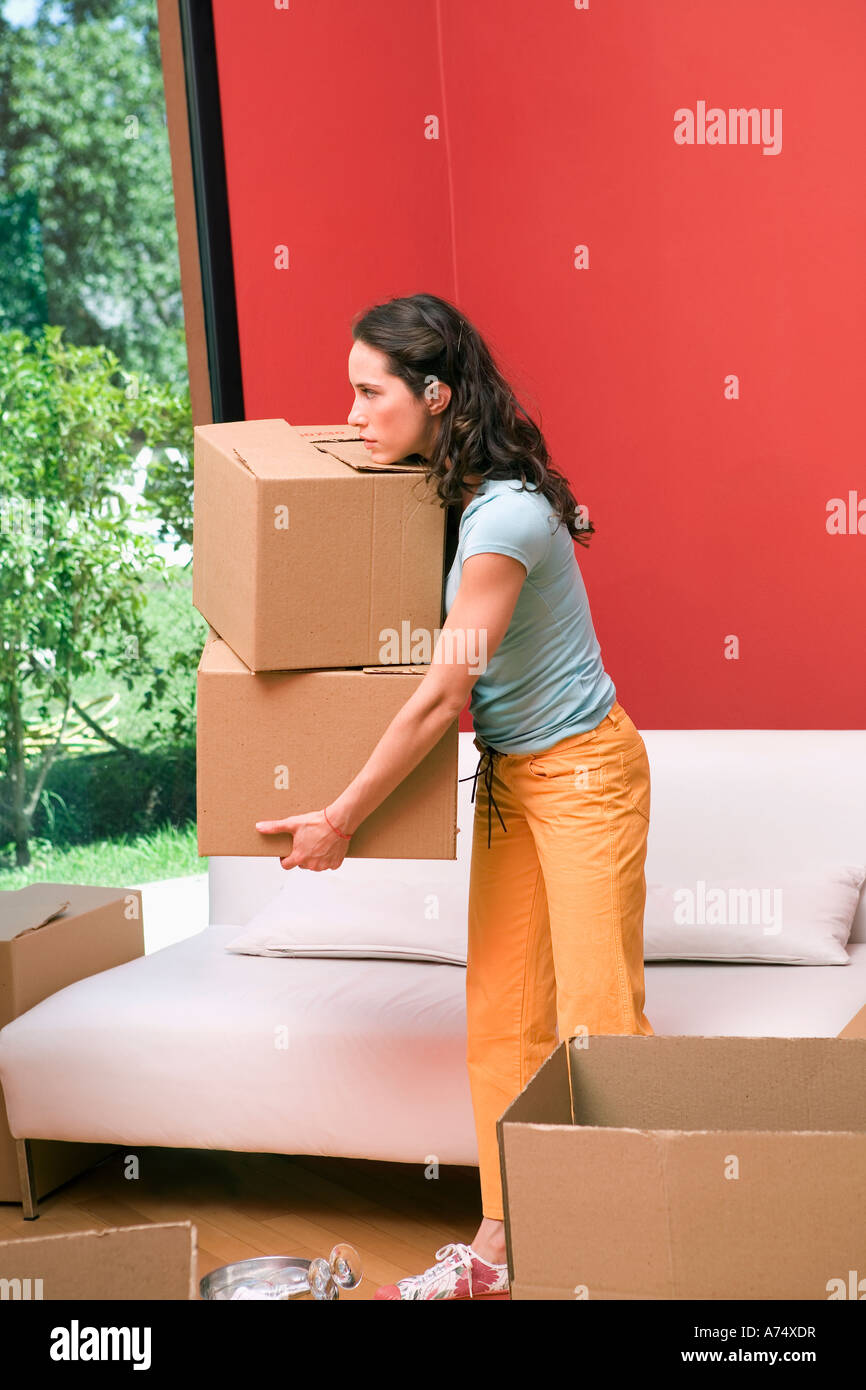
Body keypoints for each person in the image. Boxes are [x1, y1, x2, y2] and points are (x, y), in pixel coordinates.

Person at [256, 291, 654, 1301]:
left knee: (597, 1018)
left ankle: (638, 1246)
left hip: (583, 773)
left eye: (366, 391)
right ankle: (499, 1246)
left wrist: (338, 817)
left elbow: (440, 697)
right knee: (500, 1020)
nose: (350, 413)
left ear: (433, 393)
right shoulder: (459, 490)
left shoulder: (499, 518)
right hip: (518, 779)